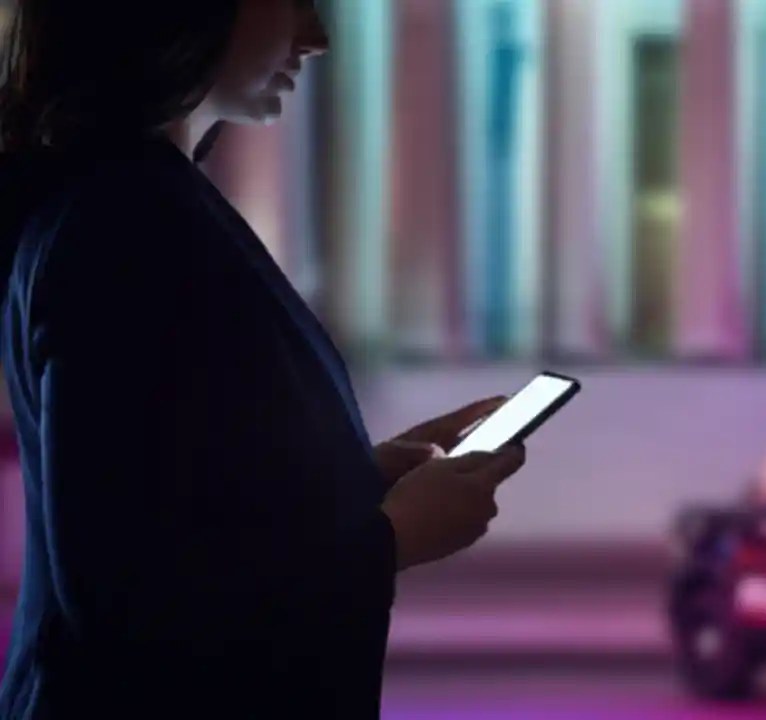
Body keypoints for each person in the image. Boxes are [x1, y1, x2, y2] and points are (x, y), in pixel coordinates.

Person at [0, 1, 525, 717]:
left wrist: (351, 480)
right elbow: (129, 597)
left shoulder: (143, 198)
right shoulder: (123, 221)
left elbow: (172, 494)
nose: (315, 39)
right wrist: (391, 539)